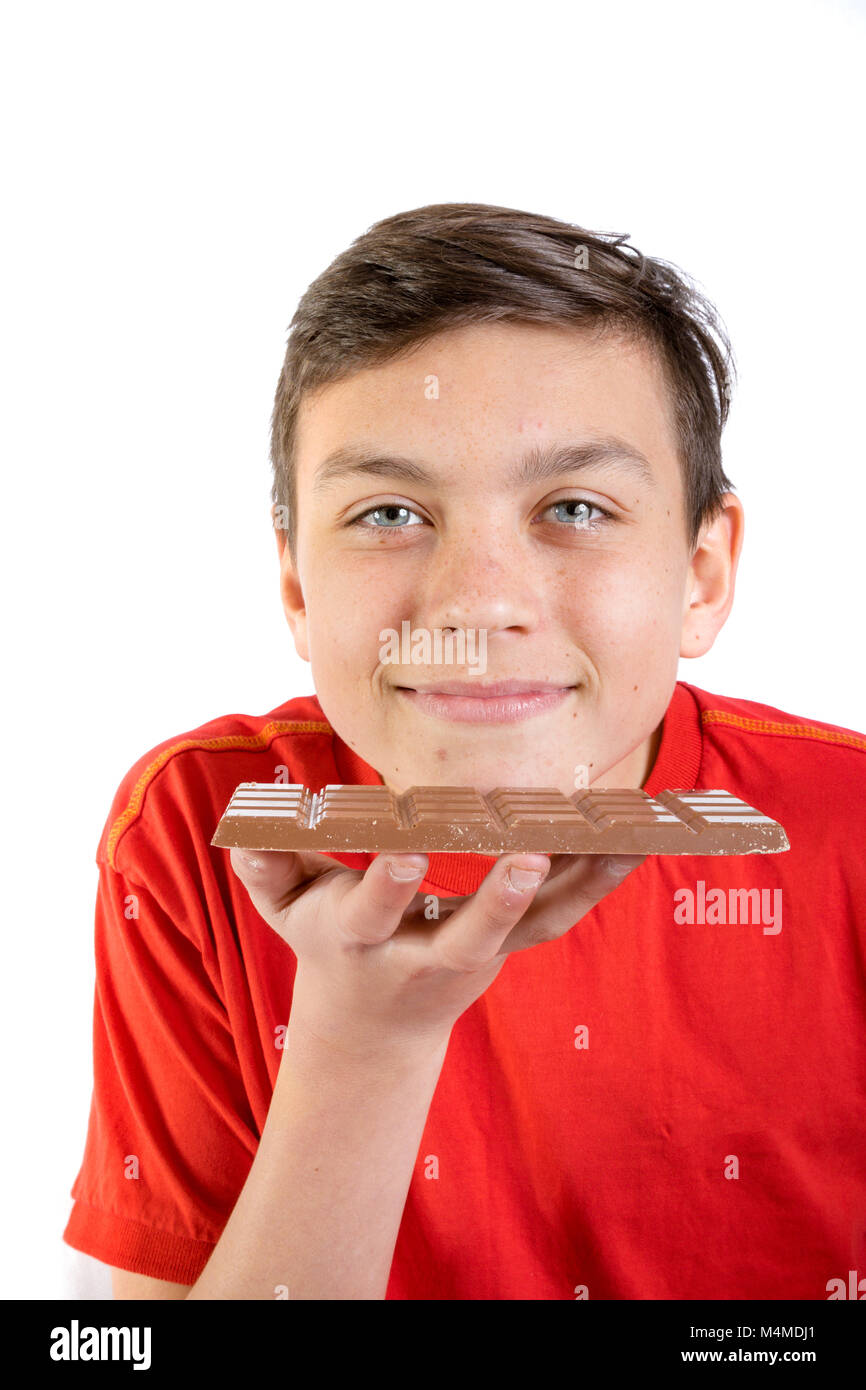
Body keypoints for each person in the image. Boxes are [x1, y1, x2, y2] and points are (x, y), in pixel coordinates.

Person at [63, 203, 866, 1300]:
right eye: (390, 514)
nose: (478, 605)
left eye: (574, 507)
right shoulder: (198, 825)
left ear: (703, 573)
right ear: (296, 585)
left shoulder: (850, 827)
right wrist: (358, 1047)